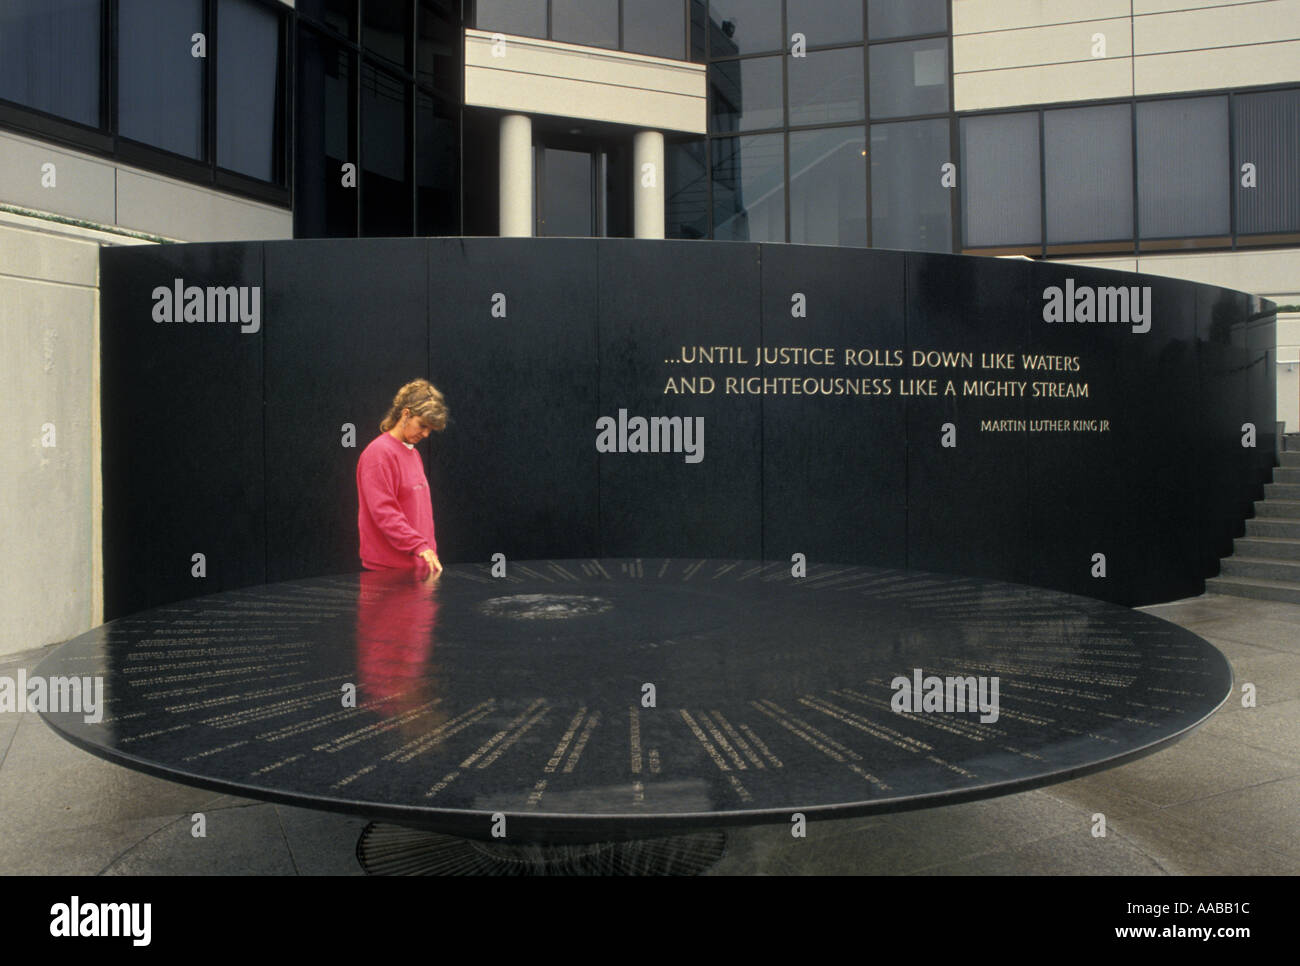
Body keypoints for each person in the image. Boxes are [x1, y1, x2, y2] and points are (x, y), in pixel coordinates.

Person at [357, 379, 449, 577]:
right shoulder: (378, 454)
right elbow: (384, 511)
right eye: (422, 425)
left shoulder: (413, 454)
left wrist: (427, 550)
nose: (425, 434)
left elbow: (421, 514)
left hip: (420, 566)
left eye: (430, 429)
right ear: (406, 414)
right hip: (389, 572)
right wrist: (418, 545)